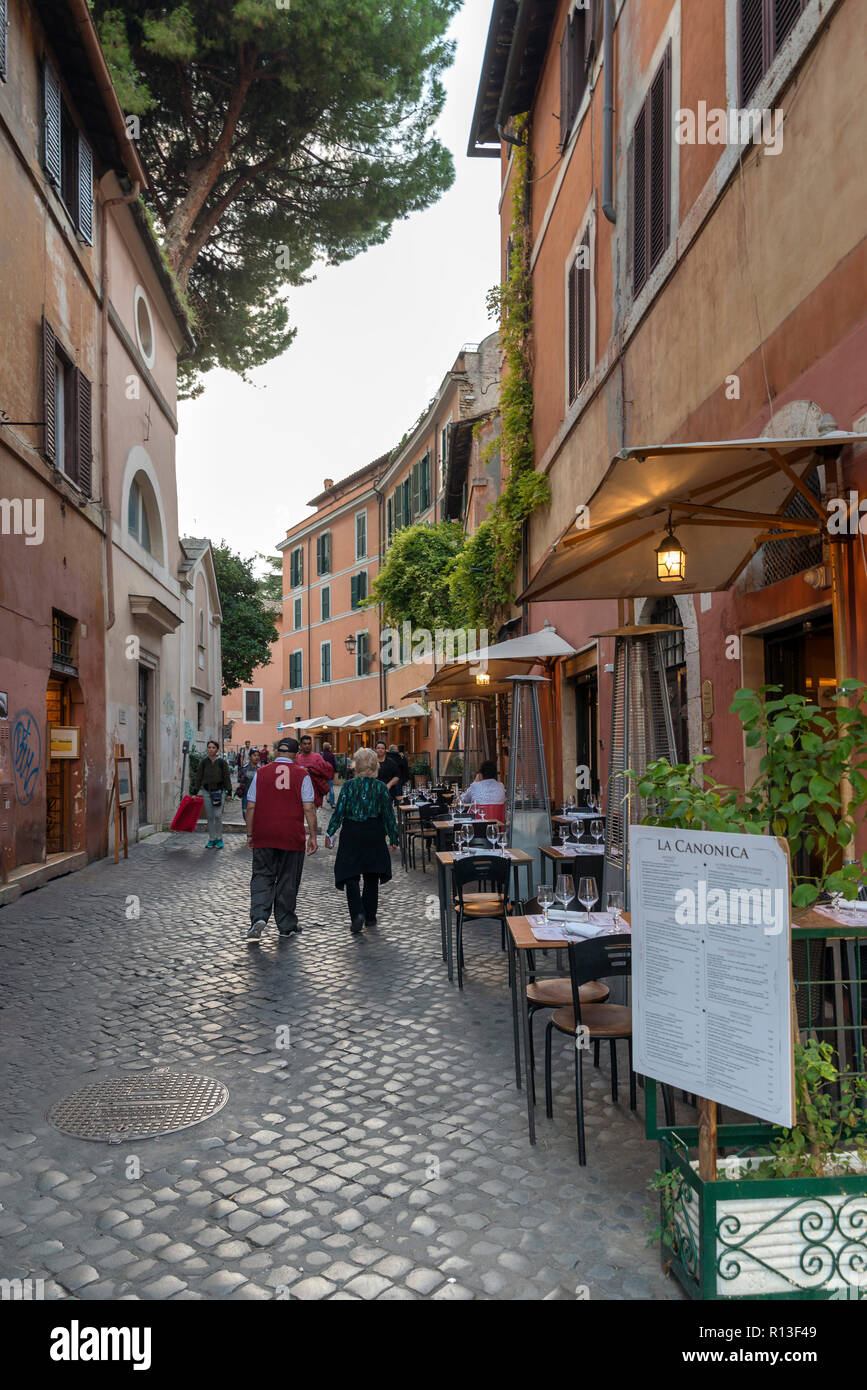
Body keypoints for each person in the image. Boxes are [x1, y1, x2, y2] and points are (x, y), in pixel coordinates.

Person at [244, 736, 317, 942]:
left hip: (264, 834)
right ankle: (286, 925)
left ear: (277, 753)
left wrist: (250, 834)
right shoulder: (302, 774)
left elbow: (251, 806)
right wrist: (312, 835)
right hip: (291, 836)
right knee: (288, 879)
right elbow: (308, 807)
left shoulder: (261, 773)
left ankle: (259, 917)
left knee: (261, 876)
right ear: (295, 755)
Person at [325, 747, 399, 934]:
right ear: (374, 765)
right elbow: (388, 815)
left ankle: (357, 913)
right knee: (371, 874)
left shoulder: (348, 786)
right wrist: (394, 837)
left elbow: (339, 811)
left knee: (350, 875)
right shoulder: (381, 787)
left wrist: (330, 832)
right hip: (374, 832)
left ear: (357, 765)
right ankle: (371, 916)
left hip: (351, 832)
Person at [192, 740, 233, 849]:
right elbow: (198, 777)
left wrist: (229, 792)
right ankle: (212, 839)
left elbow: (227, 777)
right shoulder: (203, 762)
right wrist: (195, 792)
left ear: (217, 749)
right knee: (210, 817)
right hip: (206, 792)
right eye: (209, 747)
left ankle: (219, 838)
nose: (211, 749)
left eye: (213, 747)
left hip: (219, 792)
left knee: (218, 816)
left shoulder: (222, 762)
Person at [295, 734, 332, 808]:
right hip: (299, 793)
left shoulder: (317, 757)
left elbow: (326, 772)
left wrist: (312, 771)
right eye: (305, 744)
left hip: (314, 793)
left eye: (309, 743)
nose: (307, 746)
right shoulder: (297, 758)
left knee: (312, 816)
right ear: (301, 745)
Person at [237, 747, 260, 814]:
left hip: (258, 796)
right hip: (246, 796)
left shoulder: (261, 770)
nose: (256, 757)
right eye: (254, 755)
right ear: (250, 757)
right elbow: (240, 781)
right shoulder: (243, 769)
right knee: (246, 814)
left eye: (258, 755)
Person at [321, 741, 338, 807]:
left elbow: (319, 764)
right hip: (330, 773)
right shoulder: (332, 755)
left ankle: (321, 804)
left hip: (323, 773)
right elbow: (335, 764)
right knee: (331, 788)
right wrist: (335, 771)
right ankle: (332, 803)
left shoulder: (322, 755)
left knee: (322, 787)